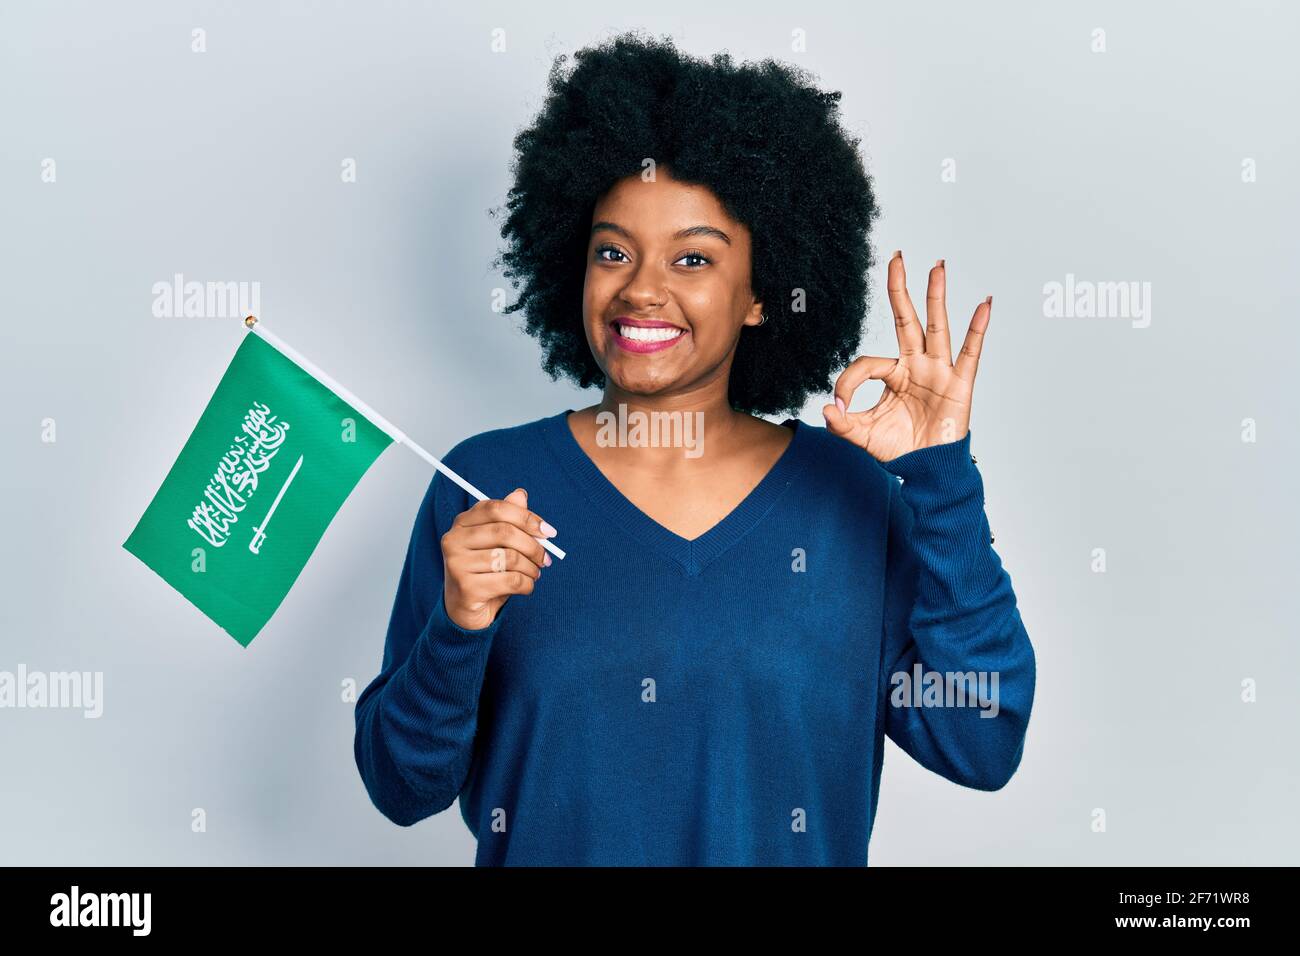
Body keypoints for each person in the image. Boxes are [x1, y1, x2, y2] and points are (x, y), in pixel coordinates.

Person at [353, 31, 1035, 865]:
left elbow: (983, 739)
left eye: (692, 258)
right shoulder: (488, 486)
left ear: (759, 295)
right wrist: (457, 628)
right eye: (613, 252)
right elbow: (400, 784)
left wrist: (943, 484)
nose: (642, 287)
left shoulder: (852, 502)